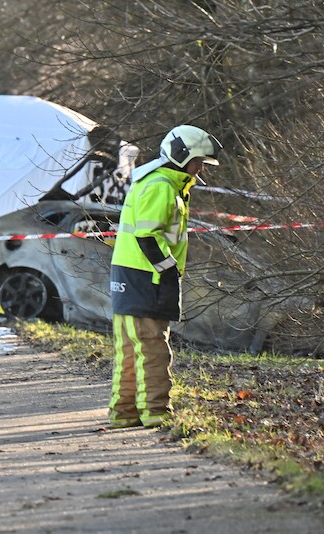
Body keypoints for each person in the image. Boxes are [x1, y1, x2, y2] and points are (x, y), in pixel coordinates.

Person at [109, 124, 221, 429]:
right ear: (182, 156)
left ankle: (125, 413)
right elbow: (148, 236)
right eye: (198, 161)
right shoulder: (162, 185)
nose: (200, 169)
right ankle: (156, 412)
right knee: (153, 351)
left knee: (131, 352)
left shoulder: (157, 181)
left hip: (131, 278)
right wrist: (169, 270)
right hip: (146, 279)